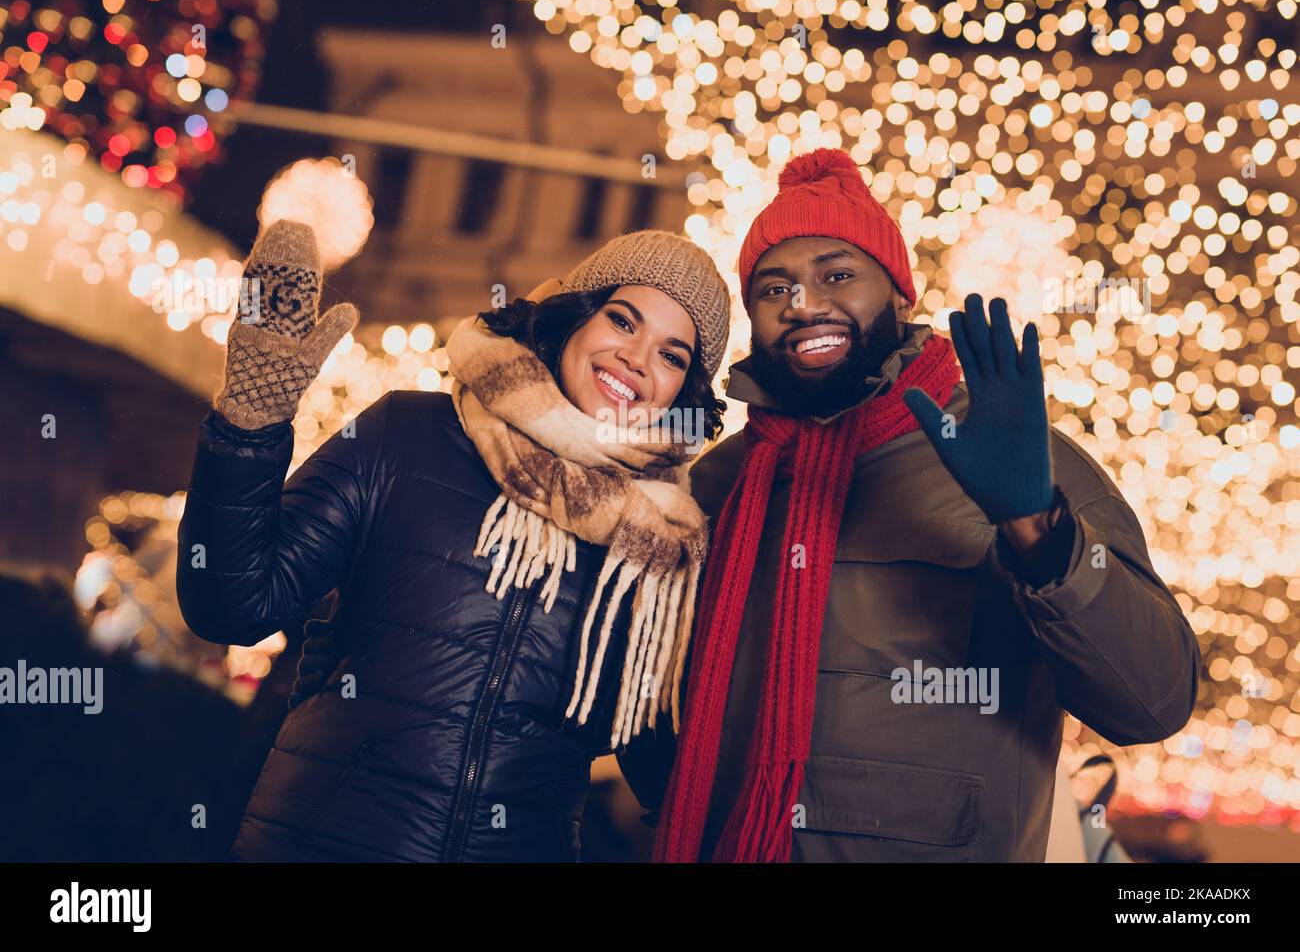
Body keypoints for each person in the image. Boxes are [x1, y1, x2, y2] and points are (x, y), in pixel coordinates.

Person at [617, 147, 1201, 862]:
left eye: (837, 275)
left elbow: (1152, 701)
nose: (804, 305)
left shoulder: (1014, 455)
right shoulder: (718, 483)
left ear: (900, 294)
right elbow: (648, 688)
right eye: (774, 290)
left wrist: (1040, 533)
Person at [175, 221, 730, 861]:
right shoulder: (405, 434)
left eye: (671, 355)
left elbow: (672, 774)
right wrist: (249, 426)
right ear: (575, 317)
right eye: (623, 321)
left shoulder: (663, 548)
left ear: (681, 393)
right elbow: (231, 605)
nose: (637, 359)